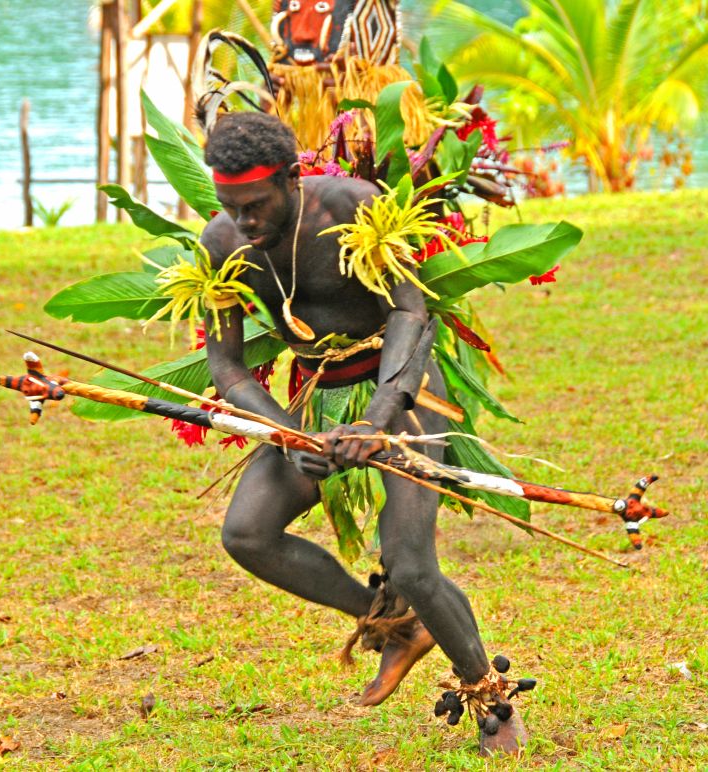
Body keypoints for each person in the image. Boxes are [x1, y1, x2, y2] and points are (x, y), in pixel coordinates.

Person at [200, 111, 526, 756]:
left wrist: (377, 419)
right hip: (315, 400)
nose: (247, 223)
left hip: (400, 387)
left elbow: (412, 311)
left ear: (294, 178)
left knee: (409, 561)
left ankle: (490, 698)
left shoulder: (354, 208)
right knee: (247, 533)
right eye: (231, 208)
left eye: (257, 205)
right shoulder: (221, 243)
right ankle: (393, 623)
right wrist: (291, 434)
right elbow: (227, 364)